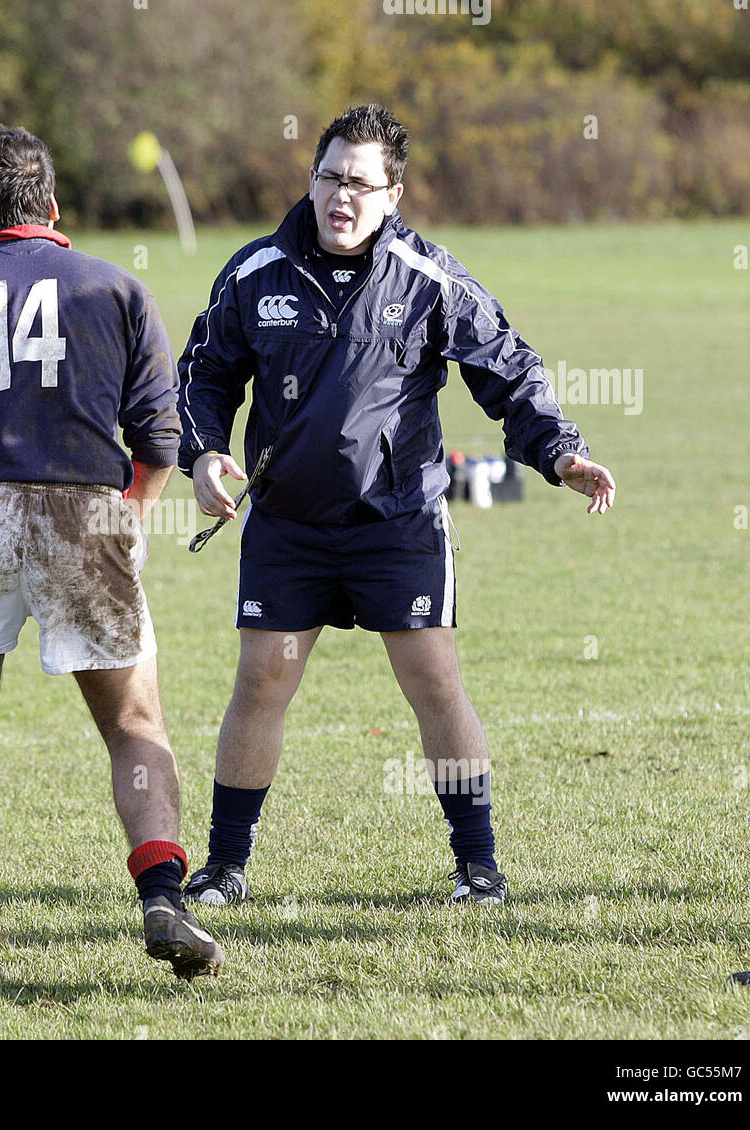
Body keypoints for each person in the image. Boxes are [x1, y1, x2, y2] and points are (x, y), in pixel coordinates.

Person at [177, 104, 617, 907]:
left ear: (393, 193)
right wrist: (203, 451)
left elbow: (509, 369)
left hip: (398, 522)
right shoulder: (253, 272)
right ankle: (225, 866)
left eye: (360, 183)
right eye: (330, 177)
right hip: (287, 523)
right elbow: (203, 372)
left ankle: (478, 866)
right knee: (261, 683)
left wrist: (557, 451)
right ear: (311, 179)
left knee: (435, 681)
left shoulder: (428, 277)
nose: (341, 196)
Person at [0, 123, 223, 986]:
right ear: (54, 205)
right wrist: (133, 513)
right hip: (84, 508)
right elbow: (158, 433)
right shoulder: (115, 287)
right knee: (135, 726)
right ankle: (162, 897)